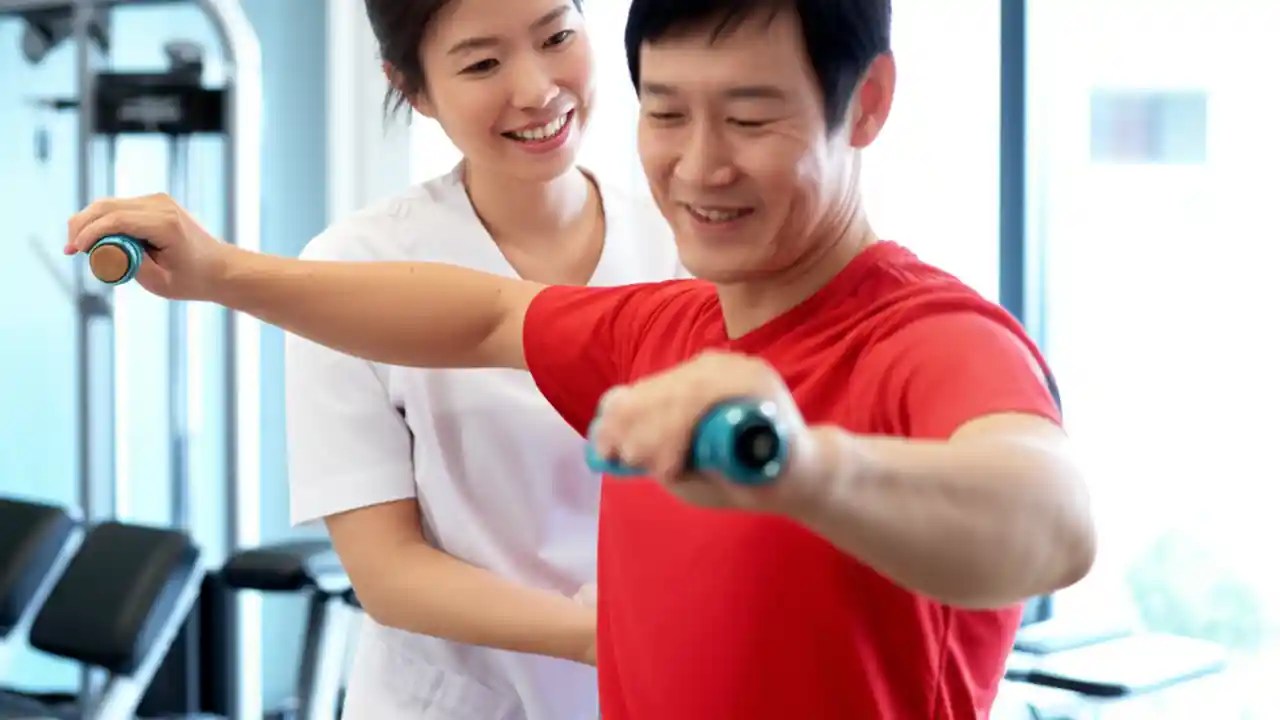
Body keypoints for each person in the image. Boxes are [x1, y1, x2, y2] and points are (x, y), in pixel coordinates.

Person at [65, 0, 1098, 717]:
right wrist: (221, 272)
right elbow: (477, 321)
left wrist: (804, 463)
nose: (698, 165)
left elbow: (1048, 521)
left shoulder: (931, 336)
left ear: (864, 104)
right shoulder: (664, 325)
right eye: (665, 112)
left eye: (747, 116)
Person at [291, 0, 682, 717]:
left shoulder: (685, 246)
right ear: (412, 89)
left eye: (557, 36)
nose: (536, 89)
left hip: (661, 682)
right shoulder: (351, 272)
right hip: (455, 700)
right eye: (481, 63)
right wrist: (597, 633)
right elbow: (388, 571)